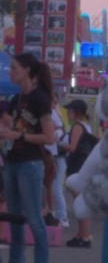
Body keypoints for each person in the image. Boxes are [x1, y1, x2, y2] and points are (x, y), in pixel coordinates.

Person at [0, 53, 57, 263]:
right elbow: (15, 129)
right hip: (12, 161)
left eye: (14, 68)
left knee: (34, 219)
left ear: (27, 71)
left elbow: (49, 137)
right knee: (15, 220)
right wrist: (7, 132)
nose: (11, 72)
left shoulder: (40, 99)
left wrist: (19, 135)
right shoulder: (17, 99)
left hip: (30, 164)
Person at [62, 99, 97, 248]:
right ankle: (81, 234)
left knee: (79, 201)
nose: (68, 112)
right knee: (83, 201)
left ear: (76, 112)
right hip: (84, 164)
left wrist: (59, 144)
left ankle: (84, 236)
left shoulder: (77, 126)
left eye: (70, 110)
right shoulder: (87, 126)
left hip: (76, 165)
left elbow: (73, 147)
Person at [49, 95, 69, 228]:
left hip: (57, 156)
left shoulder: (53, 113)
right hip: (58, 156)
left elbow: (57, 134)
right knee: (56, 187)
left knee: (56, 188)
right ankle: (60, 215)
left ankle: (62, 217)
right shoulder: (58, 113)